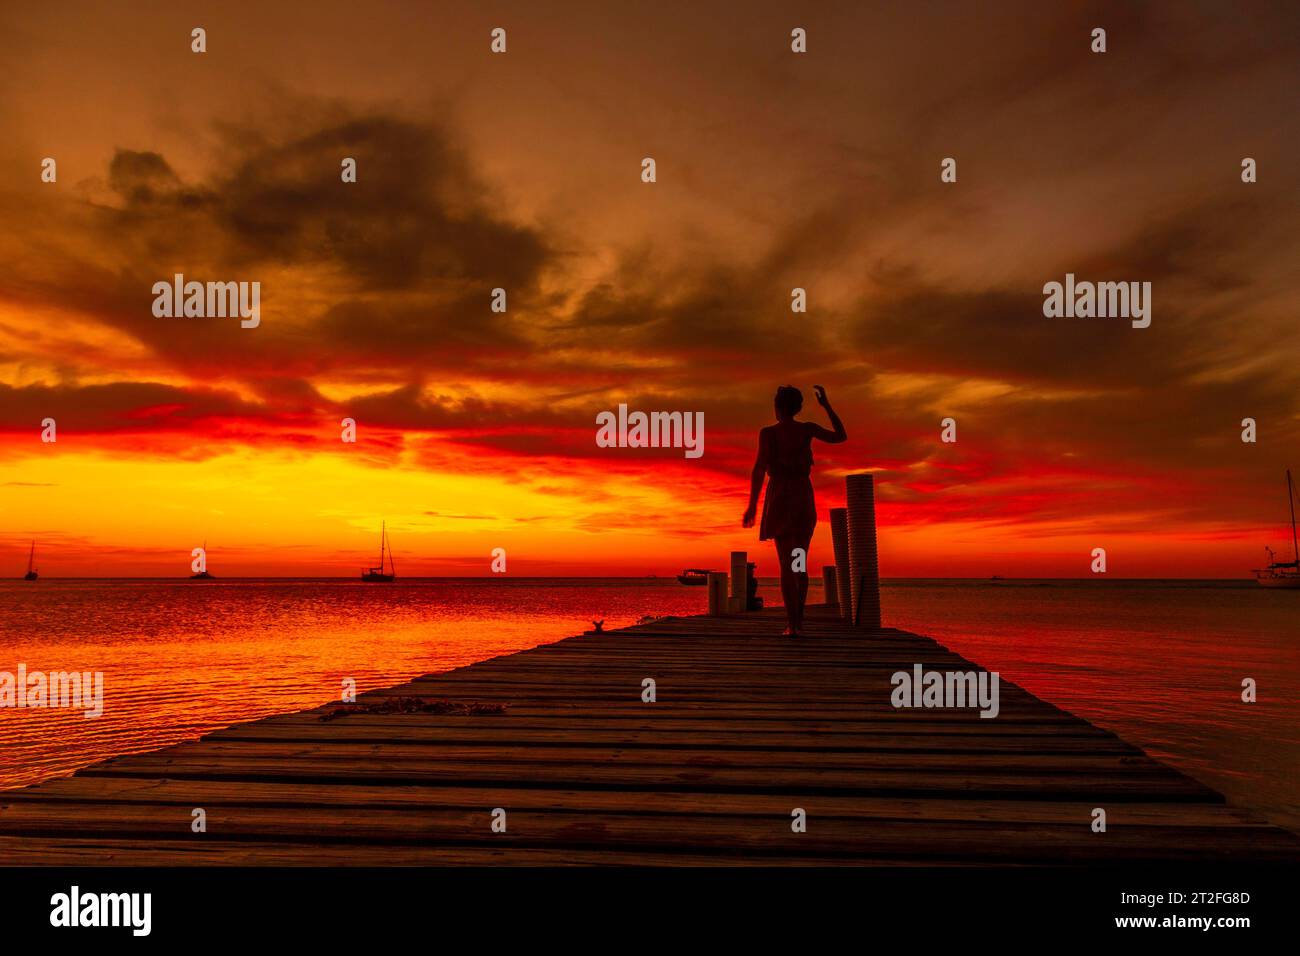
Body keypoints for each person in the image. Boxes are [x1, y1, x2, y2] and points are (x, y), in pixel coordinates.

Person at [742, 385, 846, 636]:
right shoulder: (807, 429)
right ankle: (798, 621)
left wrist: (752, 505)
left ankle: (793, 625)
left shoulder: (768, 433)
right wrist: (827, 406)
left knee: (786, 565)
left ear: (778, 408)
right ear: (798, 408)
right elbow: (840, 436)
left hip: (781, 498)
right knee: (799, 562)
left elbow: (758, 469)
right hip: (801, 497)